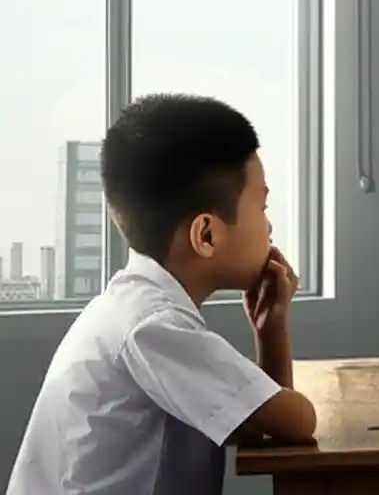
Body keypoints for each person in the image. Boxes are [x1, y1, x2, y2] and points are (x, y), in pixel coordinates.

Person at [6, 94, 317, 495]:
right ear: (206, 234)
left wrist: (270, 330)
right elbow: (297, 420)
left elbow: (262, 426)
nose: (270, 228)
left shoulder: (131, 306)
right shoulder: (156, 328)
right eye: (263, 206)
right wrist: (275, 337)